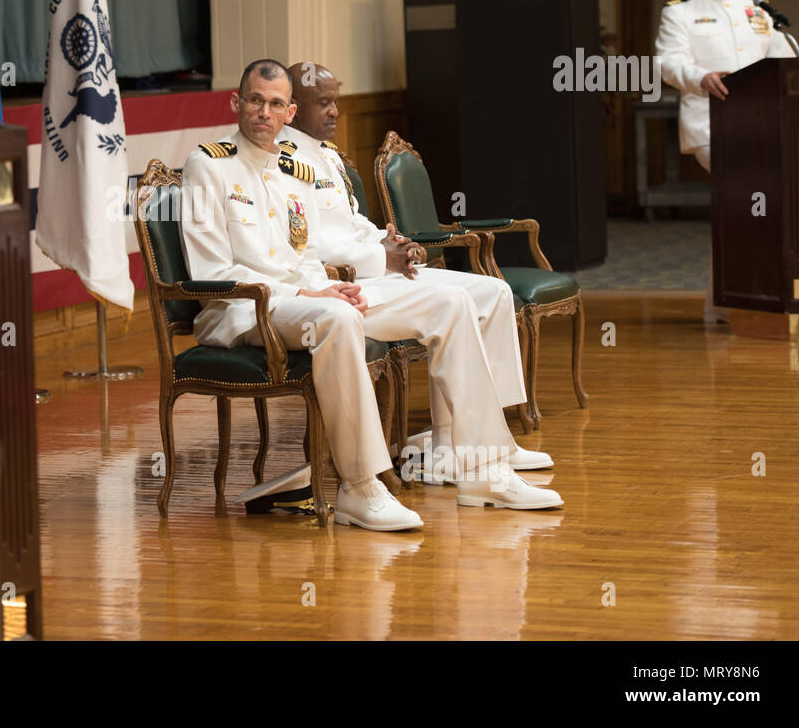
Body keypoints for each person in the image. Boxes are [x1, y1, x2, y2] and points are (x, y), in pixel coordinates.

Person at [181, 59, 557, 533]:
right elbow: (213, 271)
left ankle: (485, 469)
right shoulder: (208, 165)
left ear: (288, 111)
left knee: (452, 303)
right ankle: (361, 487)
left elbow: (305, 253)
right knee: (337, 319)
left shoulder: (293, 170)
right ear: (236, 102)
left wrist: (331, 286)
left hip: (307, 298)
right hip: (242, 309)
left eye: (275, 104)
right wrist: (312, 291)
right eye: (255, 100)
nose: (264, 112)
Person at [282, 62, 554, 483]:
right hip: (349, 280)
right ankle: (466, 449)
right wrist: (380, 257)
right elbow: (309, 246)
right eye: (324, 103)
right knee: (456, 303)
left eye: (337, 101)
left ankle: (481, 437)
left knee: (494, 293)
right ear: (294, 109)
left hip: (375, 268)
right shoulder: (286, 162)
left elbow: (353, 225)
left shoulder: (329, 155)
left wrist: (393, 242)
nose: (335, 111)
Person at [655, 0, 795, 321]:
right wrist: (700, 77)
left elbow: (785, 61)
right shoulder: (681, 13)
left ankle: (729, 302)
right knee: (751, 197)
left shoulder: (759, 11)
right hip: (712, 128)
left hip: (764, 129)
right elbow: (667, 62)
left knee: (746, 207)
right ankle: (744, 296)